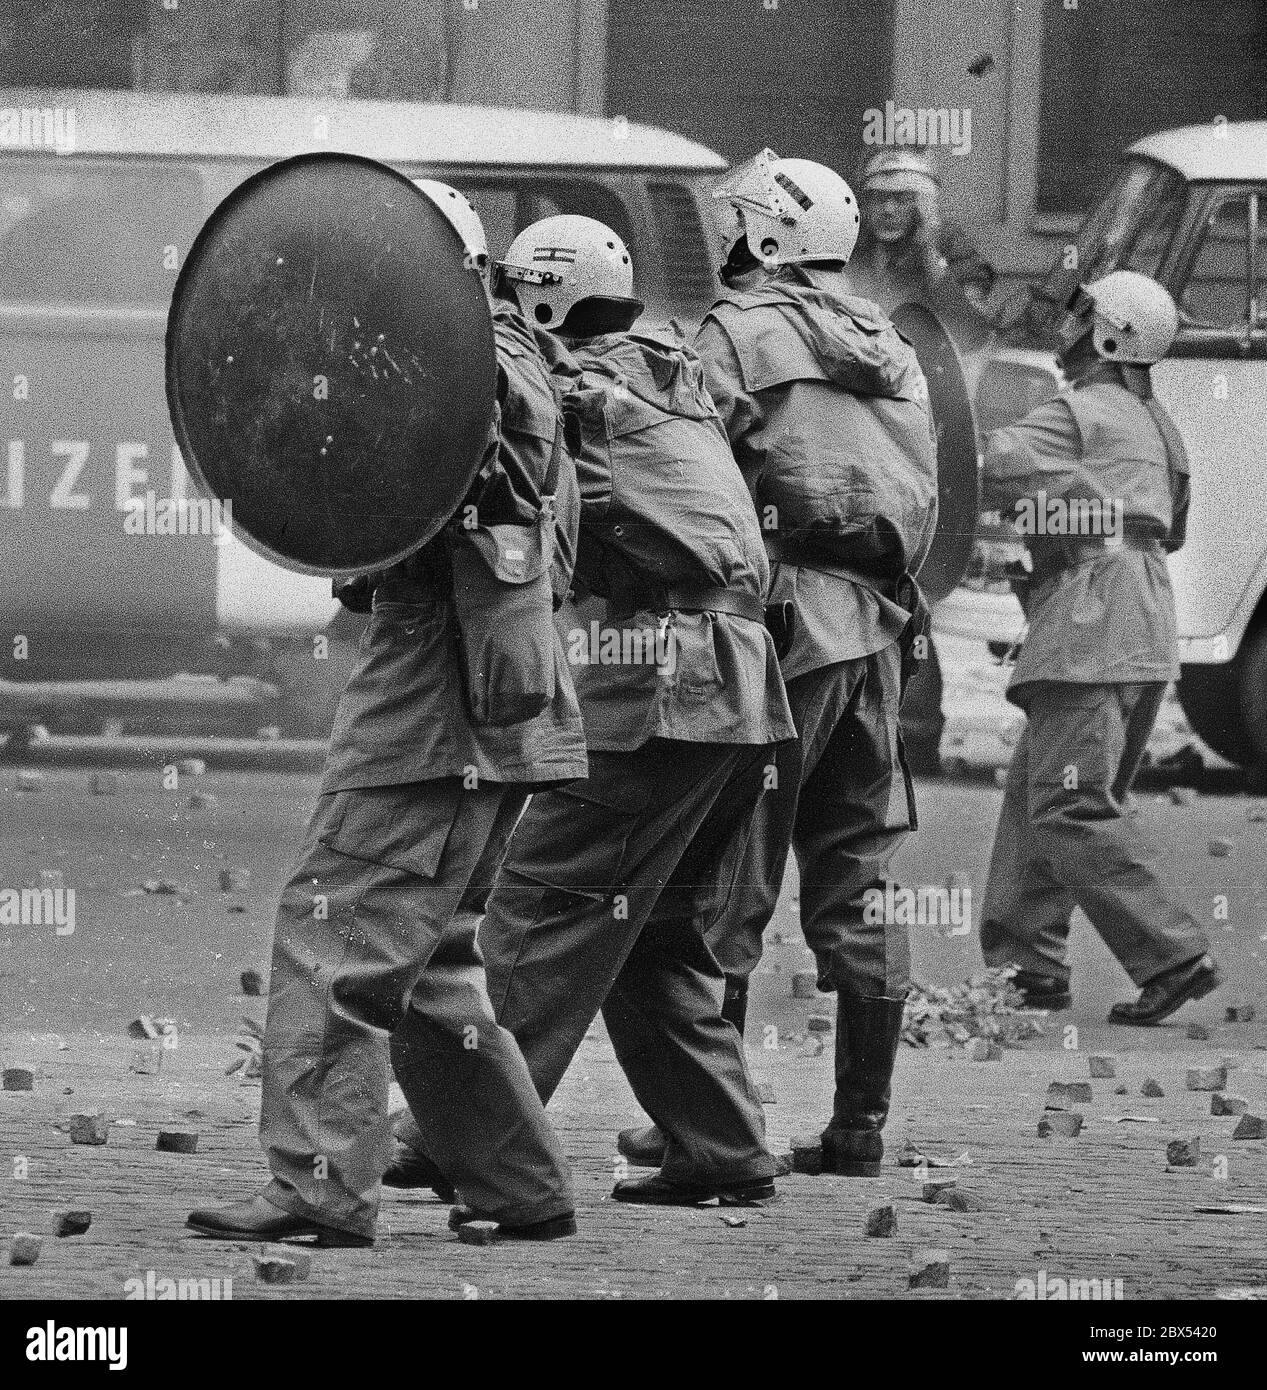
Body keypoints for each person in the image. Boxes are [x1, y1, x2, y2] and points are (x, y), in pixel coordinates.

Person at [186, 181, 586, 1246]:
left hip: (428, 714)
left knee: (331, 937)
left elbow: (416, 514)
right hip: (500, 709)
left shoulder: (462, 375)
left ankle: (319, 1186)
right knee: (429, 967)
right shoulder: (517, 367)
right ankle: (518, 1186)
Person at [386, 212, 797, 1207]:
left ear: (539, 300)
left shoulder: (574, 385)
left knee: (536, 909)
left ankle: (459, 1138)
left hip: (661, 687)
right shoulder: (674, 371)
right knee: (646, 935)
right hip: (740, 688)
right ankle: (721, 1147)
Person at [624, 150, 937, 1181]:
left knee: (726, 879)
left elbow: (690, 476)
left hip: (778, 628)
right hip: (878, 629)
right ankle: (863, 1127)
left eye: (739, 222)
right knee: (859, 884)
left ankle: (709, 1128)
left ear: (766, 238)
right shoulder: (888, 340)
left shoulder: (732, 333)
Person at [978, 269, 1221, 1024]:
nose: (1068, 327)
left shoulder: (1081, 410)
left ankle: (1171, 954)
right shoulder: (1159, 425)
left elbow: (991, 464)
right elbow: (1170, 523)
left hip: (1089, 619)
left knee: (1068, 805)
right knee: (1037, 795)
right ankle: (1027, 968)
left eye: (1082, 317)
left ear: (1109, 334)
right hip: (1143, 615)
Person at [843, 146, 994, 351]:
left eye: (901, 199)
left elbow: (973, 333)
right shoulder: (852, 243)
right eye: (879, 198)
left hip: (928, 366)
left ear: (922, 204)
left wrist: (928, 251)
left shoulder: (950, 244)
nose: (888, 209)